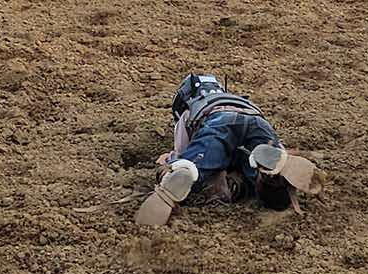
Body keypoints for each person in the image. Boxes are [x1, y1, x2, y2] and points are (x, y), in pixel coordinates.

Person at [136, 74, 323, 226]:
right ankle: (272, 174)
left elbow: (184, 148)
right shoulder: (240, 101)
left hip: (216, 123)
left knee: (188, 169)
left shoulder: (189, 111)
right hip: (257, 123)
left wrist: (173, 160)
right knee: (266, 187)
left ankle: (182, 172)